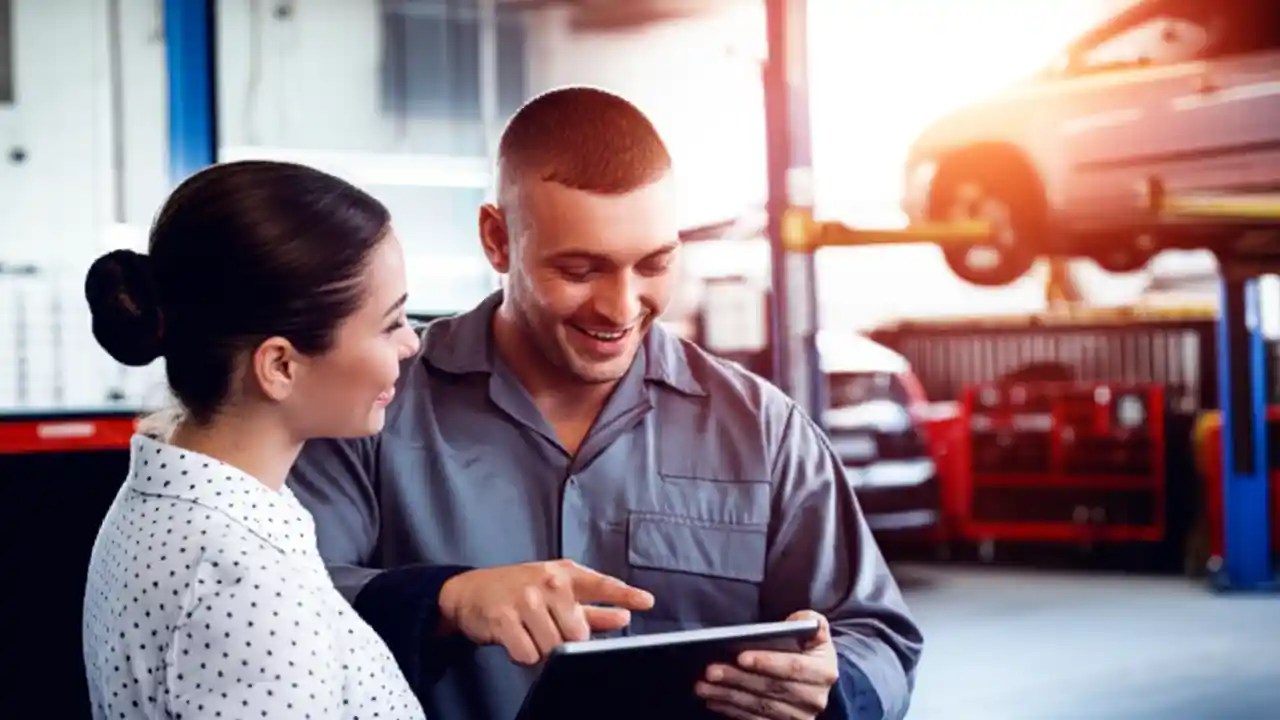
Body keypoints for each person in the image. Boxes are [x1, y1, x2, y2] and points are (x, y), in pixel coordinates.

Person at [288, 87, 924, 720]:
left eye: (654, 265)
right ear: (497, 239)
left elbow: (879, 637)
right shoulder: (374, 406)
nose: (620, 308)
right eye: (580, 270)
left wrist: (832, 686)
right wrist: (445, 601)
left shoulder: (764, 430)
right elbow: (281, 606)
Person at [81, 160, 654, 719]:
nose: (412, 344)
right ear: (280, 366)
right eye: (390, 324)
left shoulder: (179, 503)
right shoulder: (245, 587)